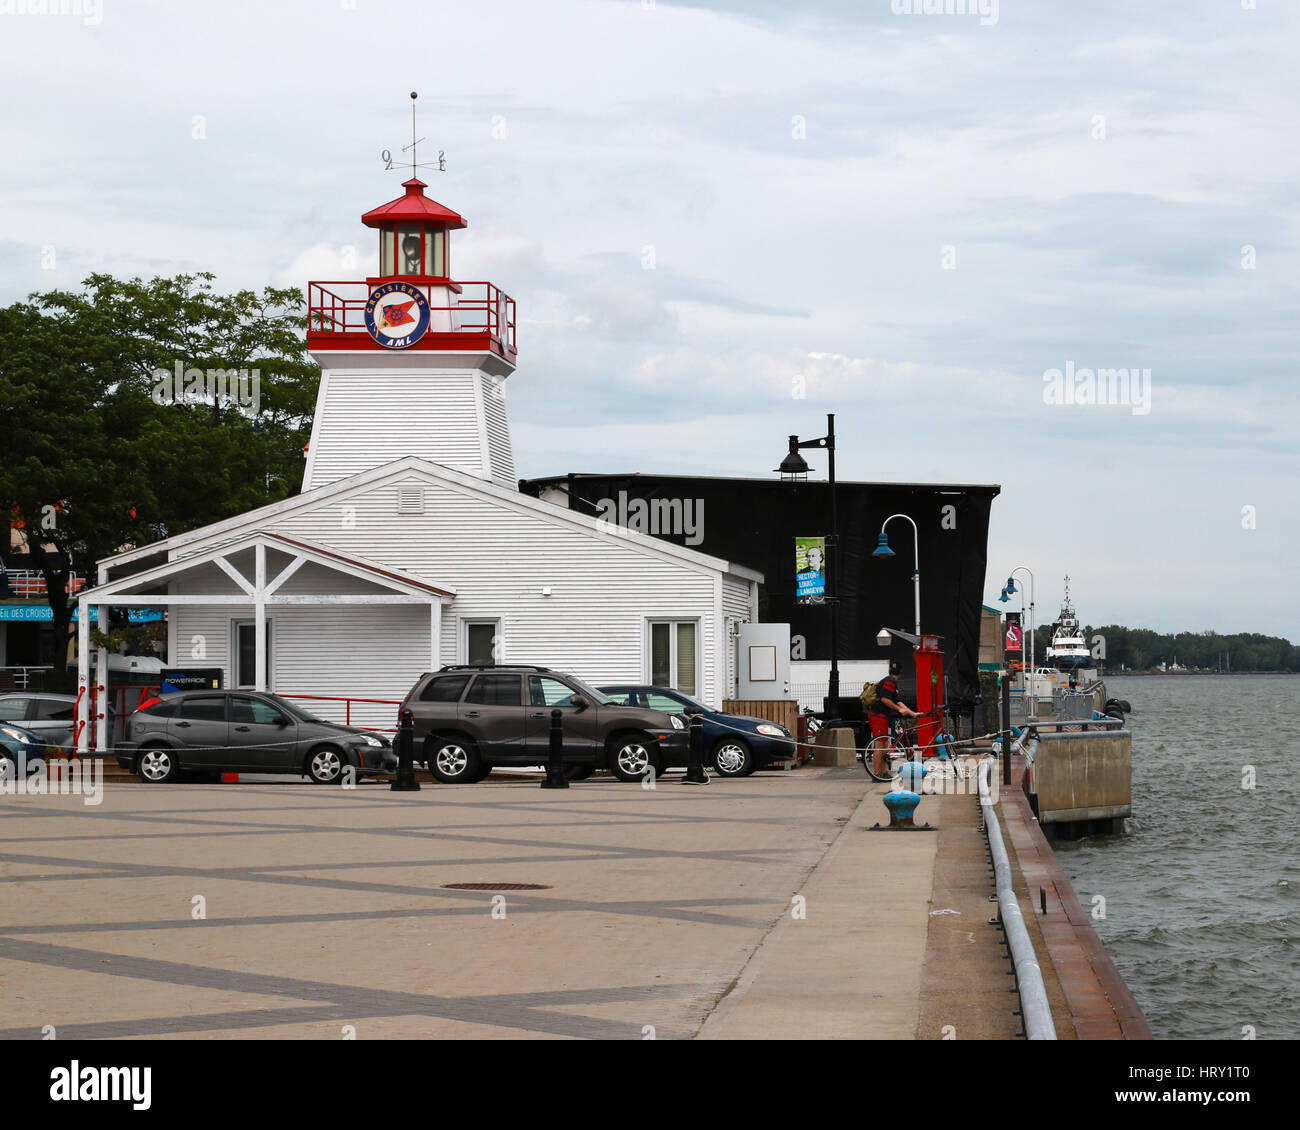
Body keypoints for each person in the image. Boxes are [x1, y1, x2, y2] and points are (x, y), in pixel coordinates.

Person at [869, 660, 918, 776]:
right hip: (878, 715)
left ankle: (883, 772)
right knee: (880, 744)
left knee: (884, 744)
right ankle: (877, 773)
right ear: (901, 672)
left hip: (880, 716)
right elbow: (885, 699)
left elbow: (898, 701)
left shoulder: (890, 681)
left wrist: (912, 713)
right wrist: (899, 709)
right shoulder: (890, 682)